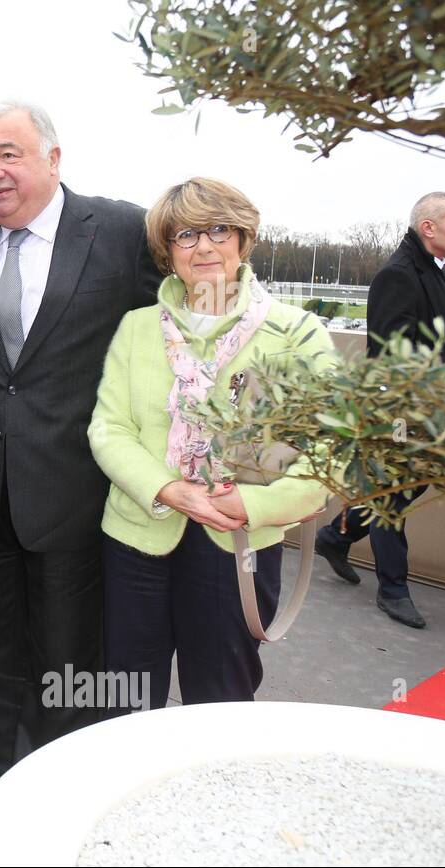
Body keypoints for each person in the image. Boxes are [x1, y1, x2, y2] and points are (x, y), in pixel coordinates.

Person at [0, 99, 162, 811]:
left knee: (67, 653)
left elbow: (166, 341)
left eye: (9, 154)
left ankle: (60, 789)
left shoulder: (121, 231)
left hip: (75, 491)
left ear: (53, 159)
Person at [89, 177, 337, 713]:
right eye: (186, 235)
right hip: (138, 540)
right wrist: (166, 488)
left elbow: (332, 448)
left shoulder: (296, 333)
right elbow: (109, 428)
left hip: (237, 545)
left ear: (243, 239)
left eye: (219, 230)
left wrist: (256, 503)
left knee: (221, 702)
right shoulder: (136, 328)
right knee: (125, 700)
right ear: (168, 250)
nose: (203, 246)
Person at [315, 191, 445, 629]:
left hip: (431, 406)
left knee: (411, 484)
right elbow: (391, 353)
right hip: (400, 407)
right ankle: (393, 589)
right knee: (392, 492)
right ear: (429, 227)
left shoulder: (438, 269)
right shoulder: (398, 275)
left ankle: (335, 536)